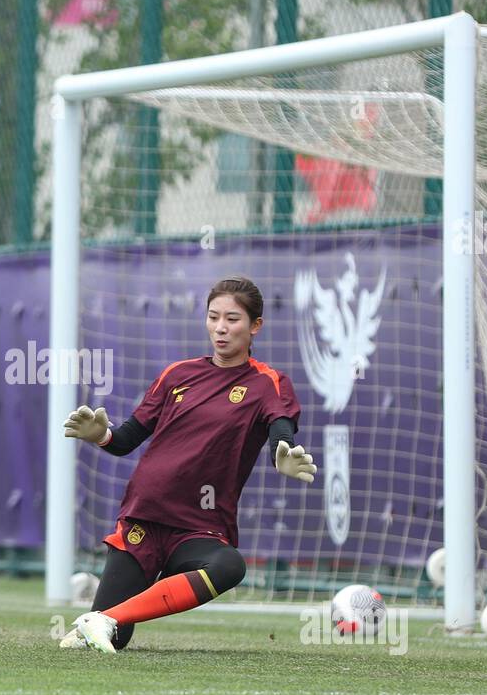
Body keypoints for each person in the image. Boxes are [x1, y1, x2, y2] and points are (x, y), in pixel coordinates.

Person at [61, 276, 316, 653]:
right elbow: (126, 440)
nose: (221, 328)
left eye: (233, 319)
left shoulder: (268, 382)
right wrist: (102, 435)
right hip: (145, 516)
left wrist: (284, 452)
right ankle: (103, 620)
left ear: (255, 326)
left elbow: (280, 426)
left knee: (229, 566)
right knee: (117, 637)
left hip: (200, 525)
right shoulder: (176, 374)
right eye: (214, 317)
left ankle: (103, 619)